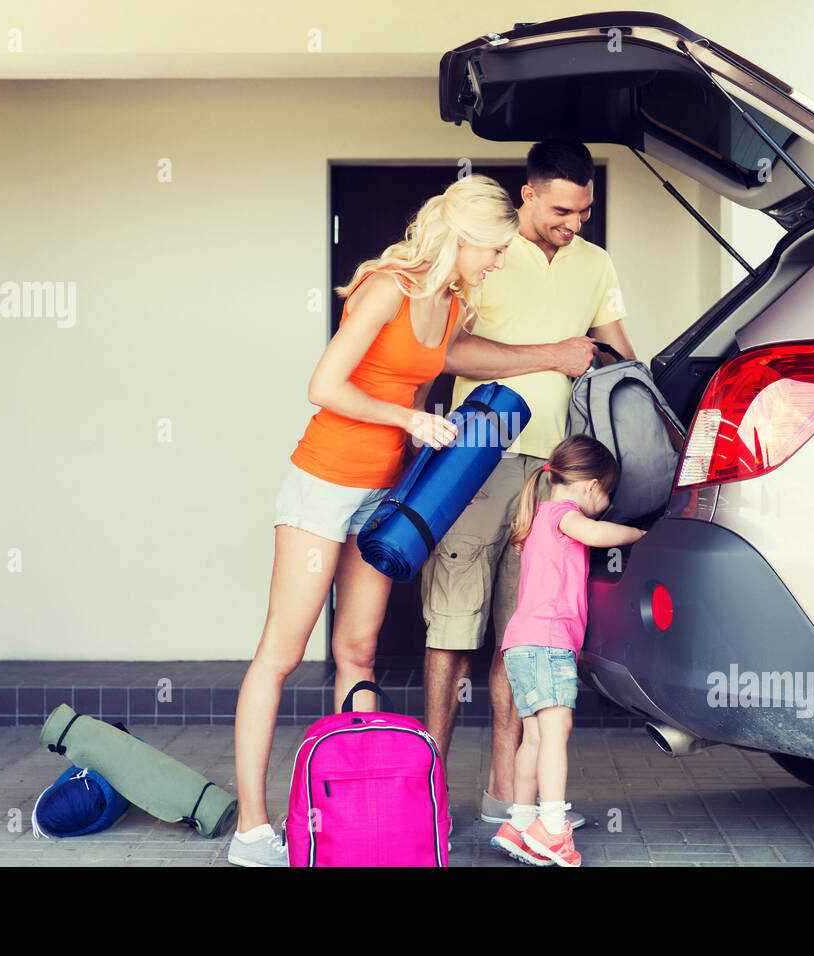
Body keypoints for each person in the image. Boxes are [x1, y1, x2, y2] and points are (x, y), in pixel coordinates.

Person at [227, 175, 519, 866]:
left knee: (358, 651)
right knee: (282, 653)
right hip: (324, 483)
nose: (500, 261)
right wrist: (408, 419)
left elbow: (416, 383)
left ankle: (350, 815)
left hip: (383, 494)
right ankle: (251, 828)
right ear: (465, 237)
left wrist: (427, 437)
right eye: (496, 249)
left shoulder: (452, 305)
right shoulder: (389, 287)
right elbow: (324, 386)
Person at [422, 140, 638, 830]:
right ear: (529, 194)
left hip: (553, 477)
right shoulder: (486, 252)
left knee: (524, 636)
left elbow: (621, 357)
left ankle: (504, 797)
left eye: (584, 212)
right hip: (476, 460)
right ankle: (426, 795)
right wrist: (553, 354)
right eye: (561, 211)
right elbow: (448, 351)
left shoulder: (595, 263)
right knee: (452, 629)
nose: (573, 224)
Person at [488, 434, 646, 867]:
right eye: (608, 494)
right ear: (592, 486)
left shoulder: (540, 514)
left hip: (521, 644)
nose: (606, 503)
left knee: (534, 738)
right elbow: (596, 534)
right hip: (548, 642)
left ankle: (520, 823)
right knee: (557, 734)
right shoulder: (565, 515)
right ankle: (554, 828)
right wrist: (641, 535)